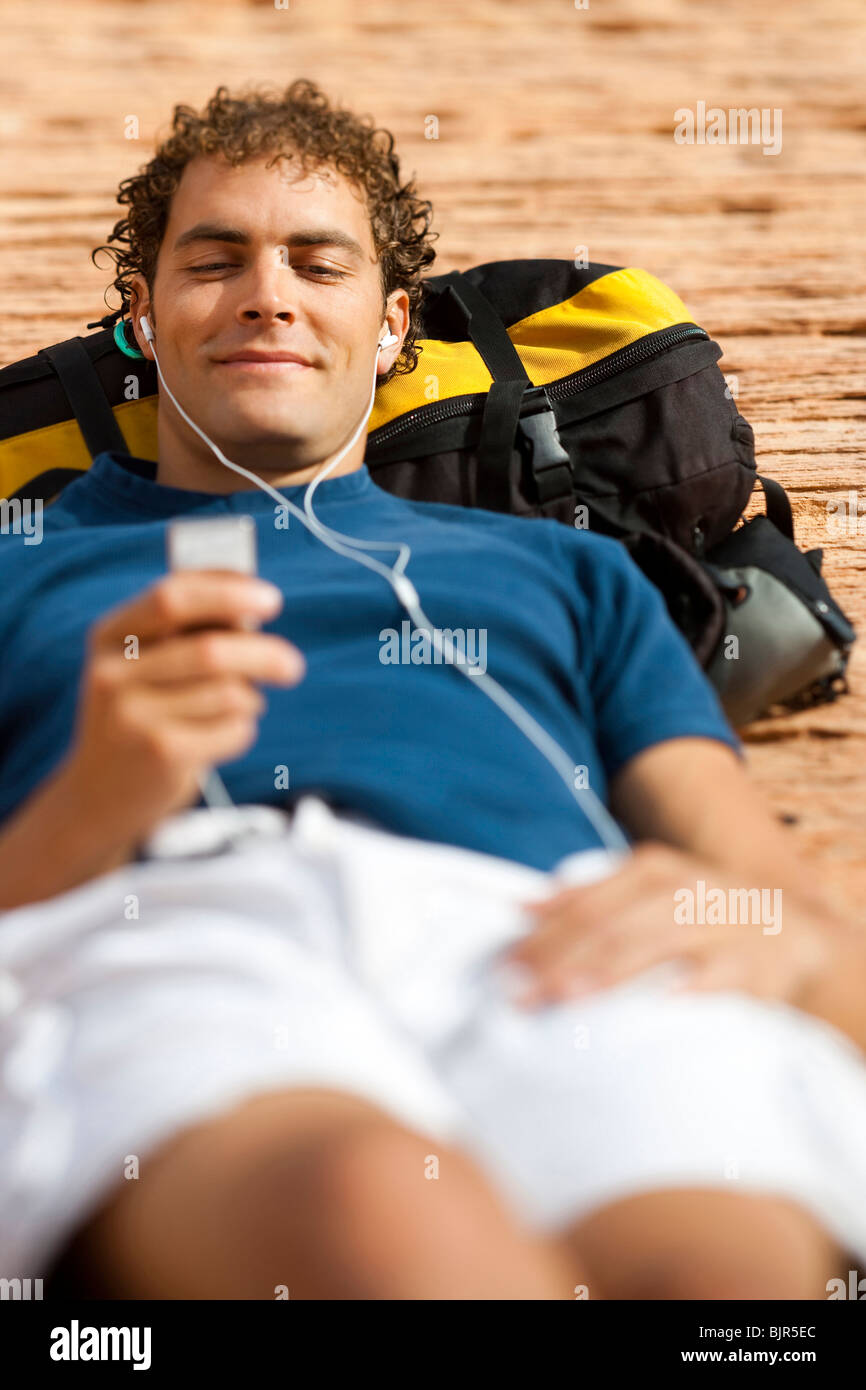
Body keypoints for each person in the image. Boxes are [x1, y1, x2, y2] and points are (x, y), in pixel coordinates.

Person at [1, 80, 864, 1302]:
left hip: (546, 943)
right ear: (140, 319)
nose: (268, 293)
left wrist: (746, 931)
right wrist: (89, 808)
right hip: (172, 930)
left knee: (717, 1265)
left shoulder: (568, 574)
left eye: (317, 262)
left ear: (394, 324)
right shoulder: (19, 564)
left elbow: (792, 915)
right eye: (213, 260)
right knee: (365, 1210)